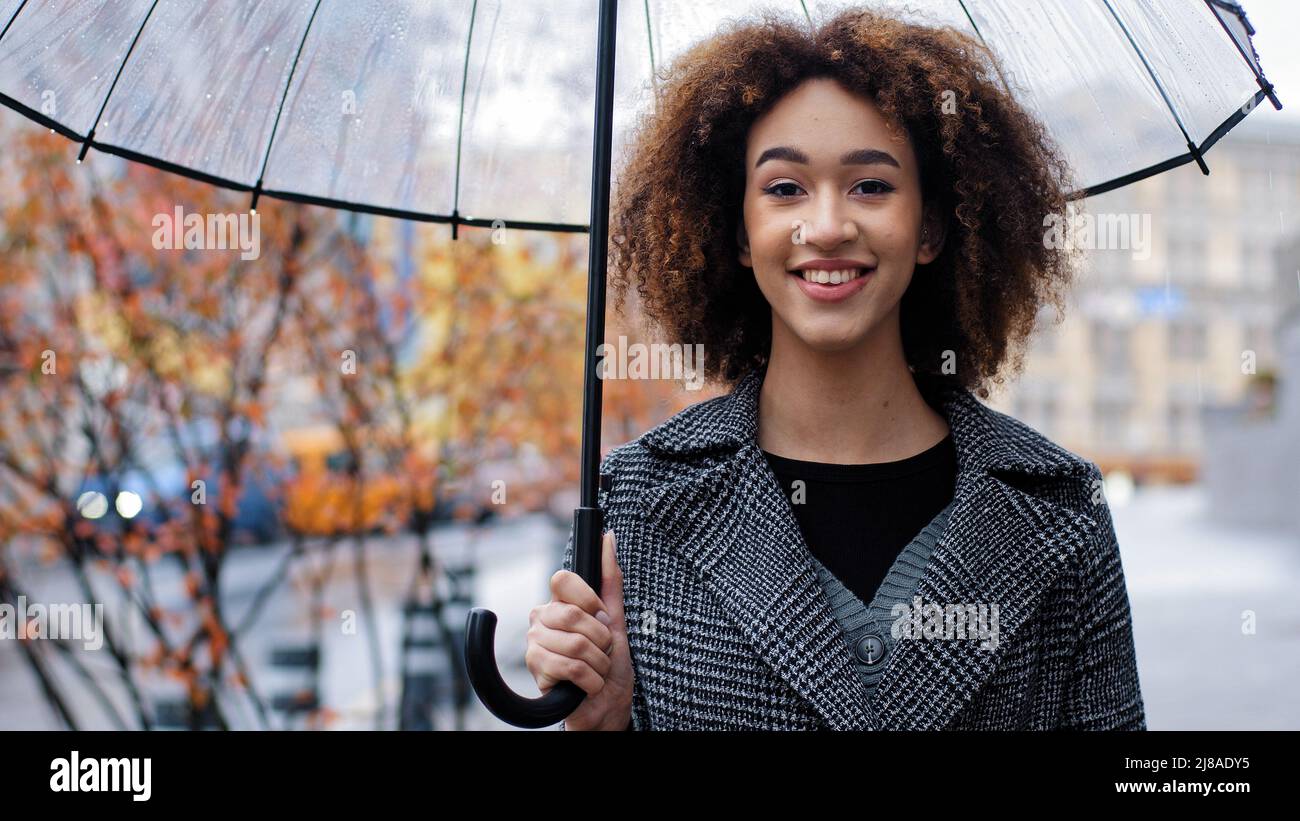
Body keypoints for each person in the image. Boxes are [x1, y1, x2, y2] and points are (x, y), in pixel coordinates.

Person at [526, 7, 1145, 731]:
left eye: (871, 187)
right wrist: (604, 721)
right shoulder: (636, 502)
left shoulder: (1062, 509)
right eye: (785, 188)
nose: (825, 227)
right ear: (738, 233)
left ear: (932, 228)